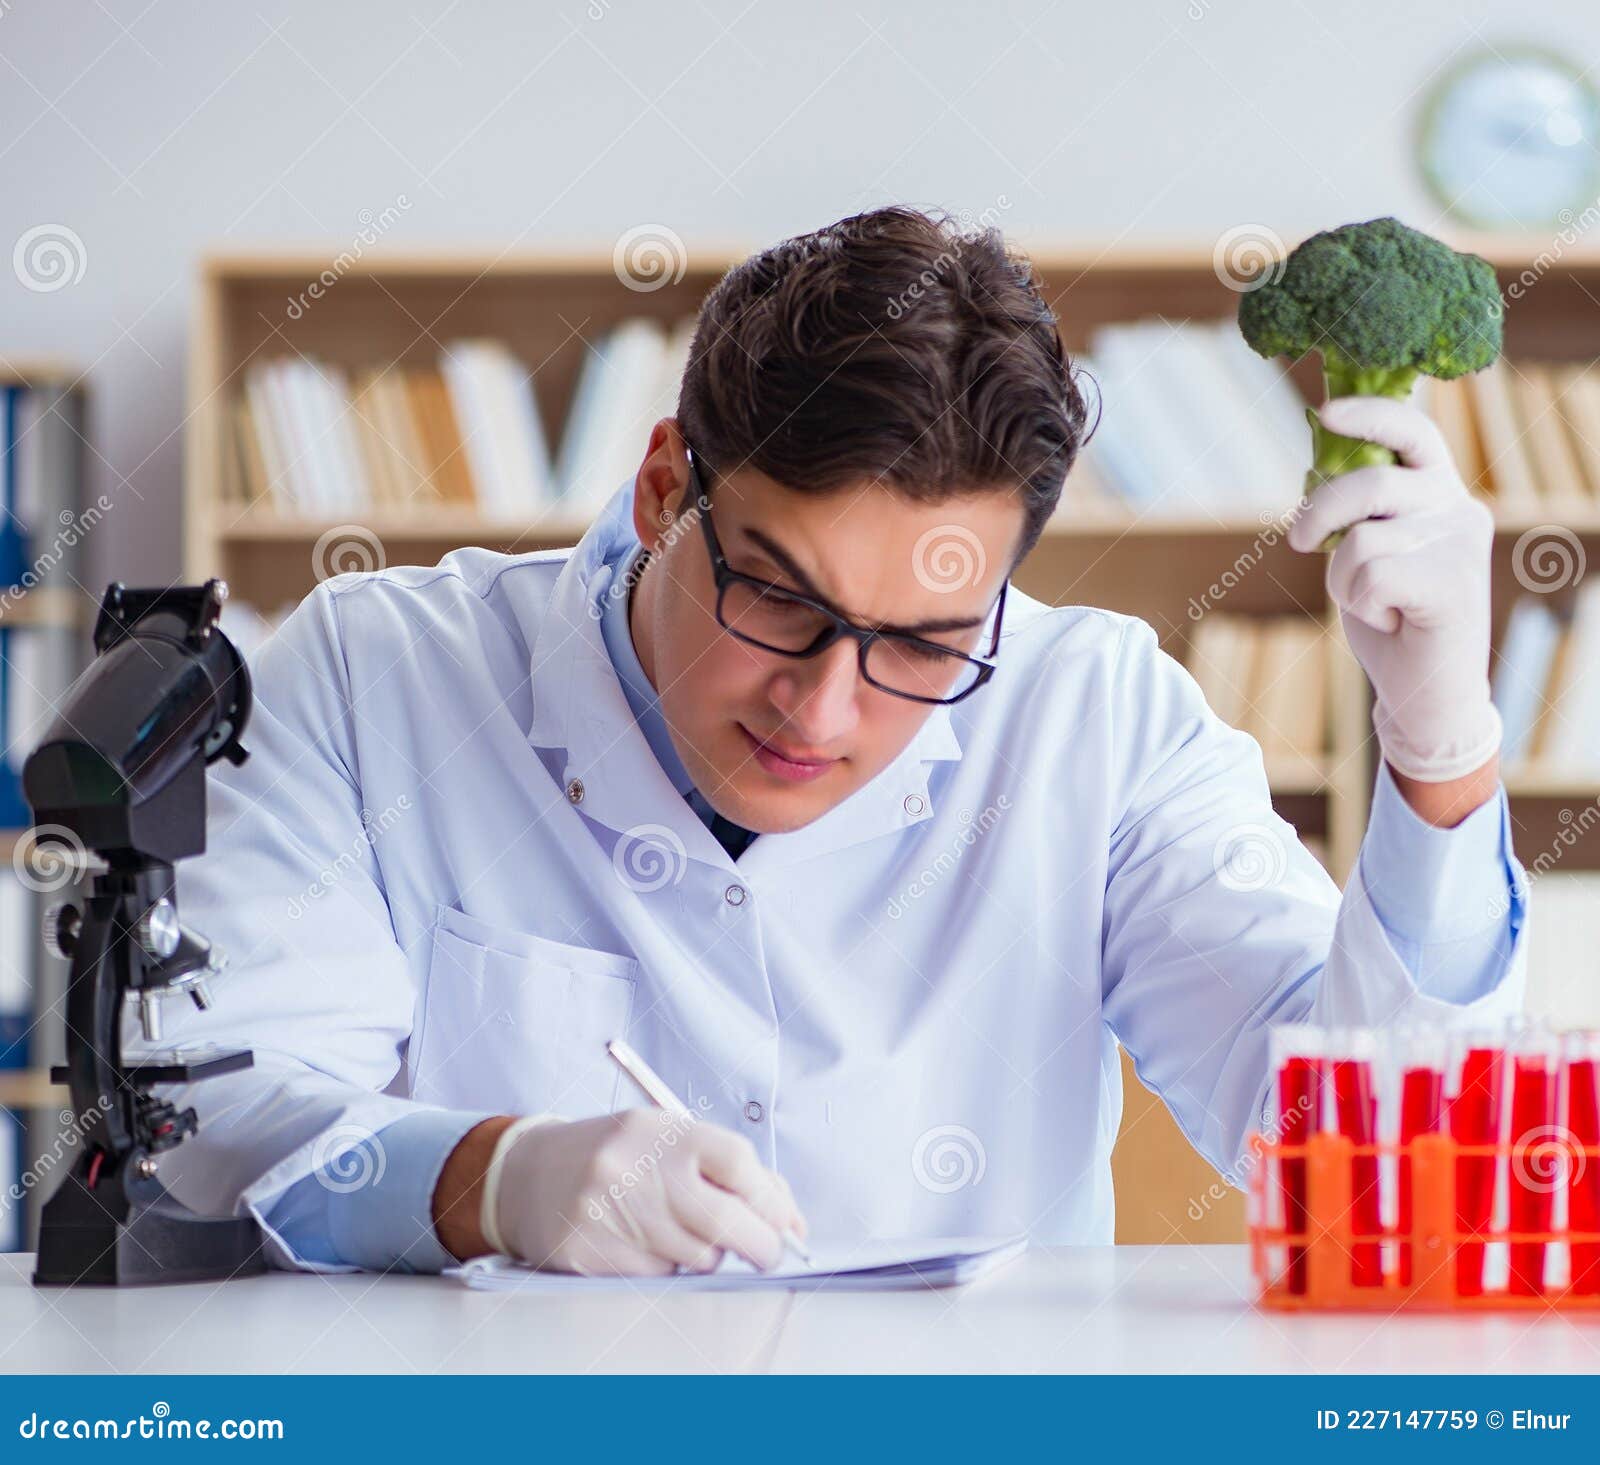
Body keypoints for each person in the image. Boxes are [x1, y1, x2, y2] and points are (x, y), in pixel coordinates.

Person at [145, 206, 1524, 1276]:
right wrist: (487, 1180)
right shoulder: (377, 673)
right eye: (778, 600)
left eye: (923, 642)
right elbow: (214, 1122)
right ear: (665, 484)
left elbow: (1372, 1179)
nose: (820, 708)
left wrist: (1440, 743)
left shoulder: (1097, 717)